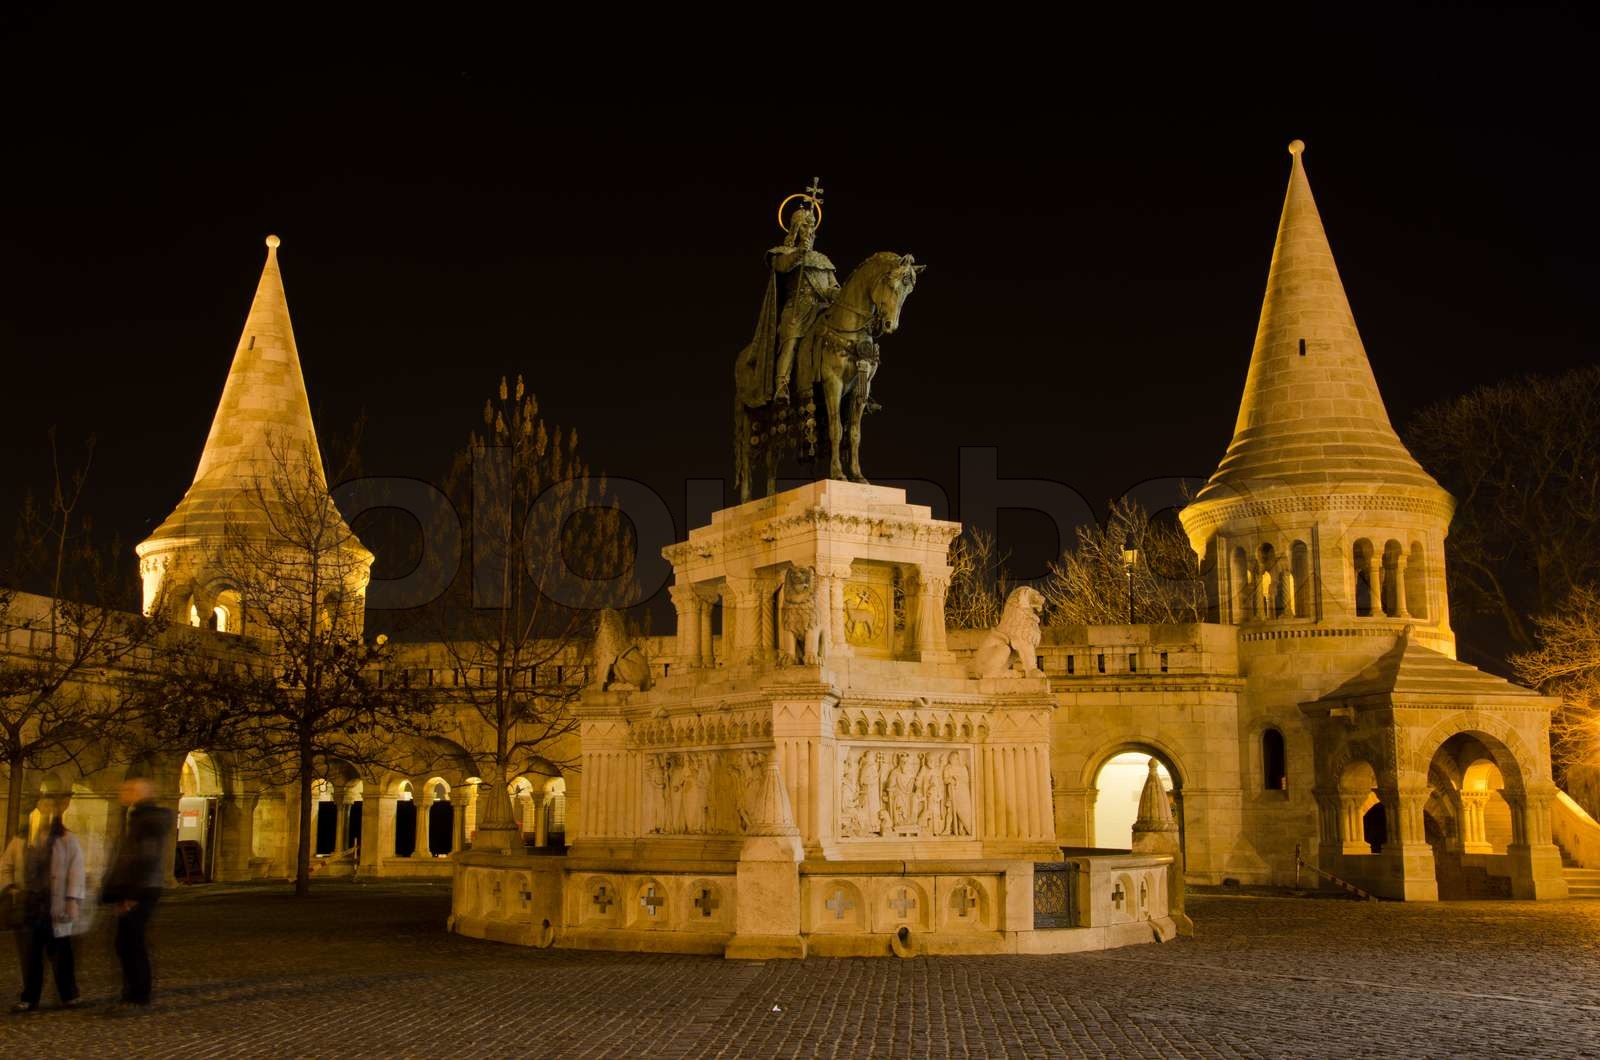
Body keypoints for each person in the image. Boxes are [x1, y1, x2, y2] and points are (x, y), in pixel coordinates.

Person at [1, 785, 85, 1012]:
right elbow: (6, 866)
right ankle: (29, 998)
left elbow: (76, 870)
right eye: (43, 803)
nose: (47, 808)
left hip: (54, 904)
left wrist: (71, 899)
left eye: (51, 805)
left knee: (61, 952)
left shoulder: (67, 838)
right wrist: (10, 888)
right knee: (30, 955)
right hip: (28, 905)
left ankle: (69, 995)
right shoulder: (21, 839)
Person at [100, 777, 174, 1010]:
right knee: (126, 942)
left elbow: (146, 858)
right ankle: (132, 993)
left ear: (138, 793)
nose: (123, 792)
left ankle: (138, 995)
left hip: (142, 889)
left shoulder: (147, 820)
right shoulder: (140, 817)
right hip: (137, 888)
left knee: (131, 942)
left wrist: (132, 894)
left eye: (128, 789)